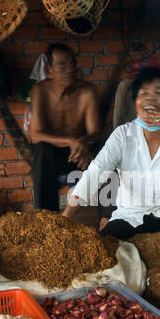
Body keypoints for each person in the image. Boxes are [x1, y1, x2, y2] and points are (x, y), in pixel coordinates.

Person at [63, 67, 160, 239]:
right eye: (143, 94)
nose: (149, 99)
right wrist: (64, 219)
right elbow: (94, 174)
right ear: (135, 103)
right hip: (130, 219)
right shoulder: (123, 134)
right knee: (107, 246)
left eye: (159, 93)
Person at [27, 43, 100, 210]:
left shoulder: (87, 91)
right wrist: (70, 141)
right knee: (42, 150)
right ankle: (47, 217)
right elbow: (36, 135)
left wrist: (81, 144)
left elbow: (95, 132)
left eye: (72, 64)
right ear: (49, 71)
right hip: (52, 158)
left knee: (106, 150)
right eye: (62, 65)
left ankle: (108, 218)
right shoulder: (40, 90)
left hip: (81, 154)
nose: (70, 69)